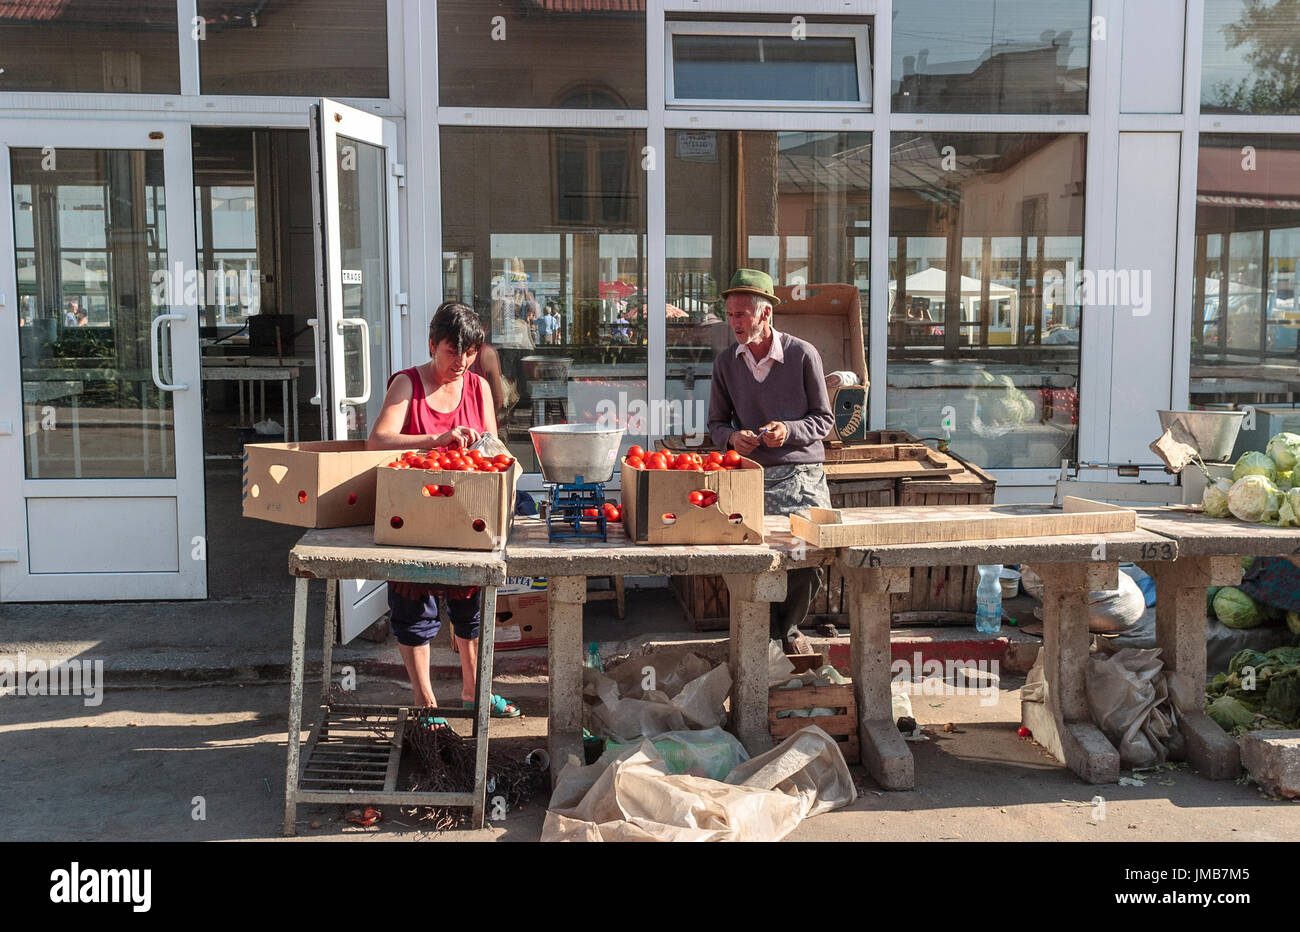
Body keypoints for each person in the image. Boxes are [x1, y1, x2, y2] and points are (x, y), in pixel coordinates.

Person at [367, 301, 521, 723]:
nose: (462, 362)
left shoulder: (478, 387)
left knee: (471, 606)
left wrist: (484, 453)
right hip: (415, 516)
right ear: (432, 344)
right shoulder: (407, 384)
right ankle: (425, 704)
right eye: (453, 351)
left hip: (467, 514)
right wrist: (437, 438)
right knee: (413, 608)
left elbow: (492, 448)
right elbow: (377, 441)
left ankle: (476, 691)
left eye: (469, 352)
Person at [707, 269, 834, 655]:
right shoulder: (726, 363)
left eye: (742, 314)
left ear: (766, 315)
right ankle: (760, 629)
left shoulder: (801, 354)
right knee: (746, 554)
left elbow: (824, 420)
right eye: (730, 315)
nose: (735, 323)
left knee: (809, 553)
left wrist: (790, 431)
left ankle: (788, 628)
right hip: (751, 474)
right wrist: (731, 437)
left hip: (803, 474)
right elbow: (714, 424)